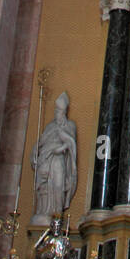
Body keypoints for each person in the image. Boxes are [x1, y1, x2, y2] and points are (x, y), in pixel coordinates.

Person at [31, 92, 78, 221]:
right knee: (44, 187)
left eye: (59, 111)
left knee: (58, 185)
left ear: (64, 112)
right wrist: (35, 151)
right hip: (45, 159)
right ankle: (43, 211)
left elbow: (71, 143)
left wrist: (60, 149)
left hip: (58, 159)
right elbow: (41, 141)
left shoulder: (69, 125)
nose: (57, 113)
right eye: (56, 110)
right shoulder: (50, 126)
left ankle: (56, 215)